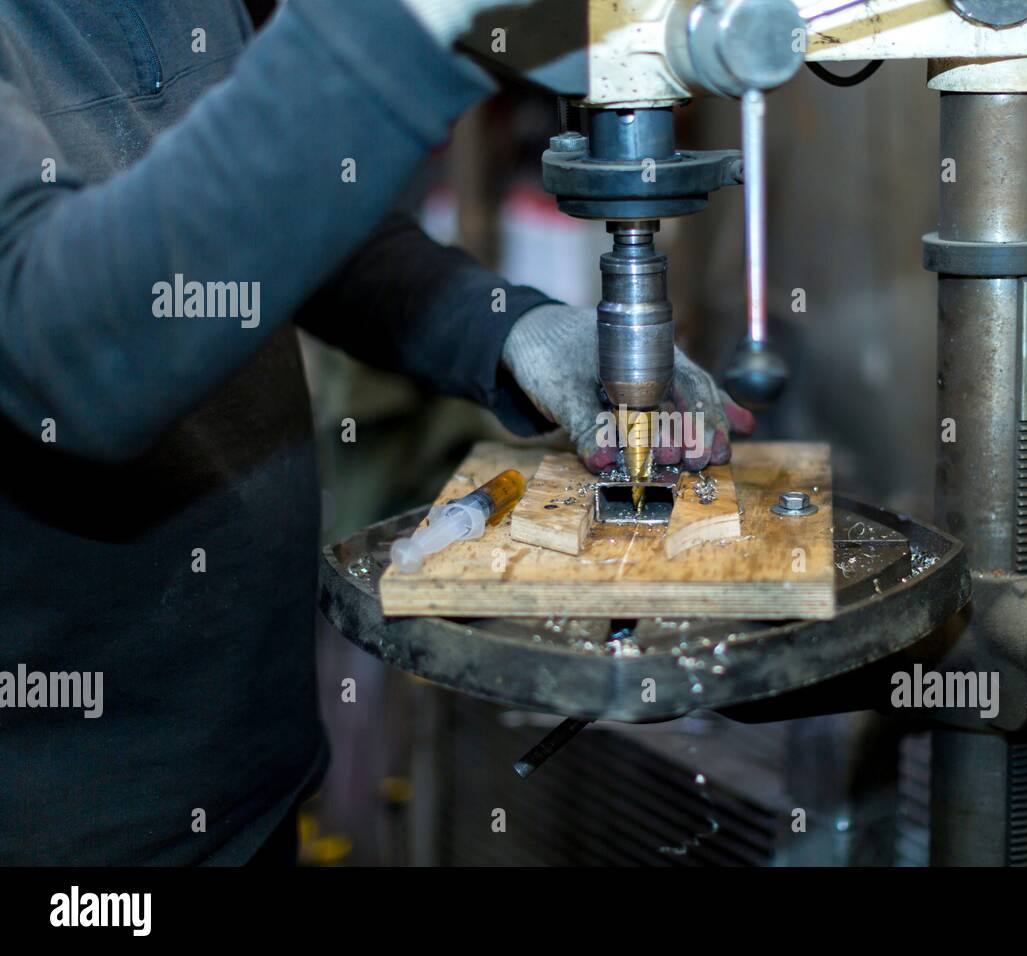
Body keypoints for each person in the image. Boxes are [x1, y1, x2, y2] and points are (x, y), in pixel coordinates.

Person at [0, 0, 753, 865]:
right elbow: (63, 349)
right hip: (66, 831)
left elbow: (269, 224)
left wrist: (508, 329)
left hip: (250, 780)